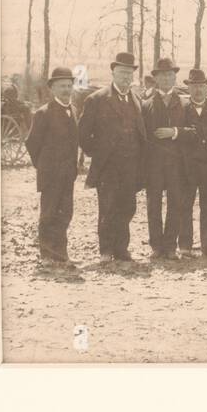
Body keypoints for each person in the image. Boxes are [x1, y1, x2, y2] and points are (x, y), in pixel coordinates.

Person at [78, 51, 147, 264]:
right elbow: (82, 134)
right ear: (113, 73)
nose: (126, 77)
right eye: (121, 73)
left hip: (131, 166)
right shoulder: (97, 99)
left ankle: (121, 249)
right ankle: (106, 251)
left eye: (129, 73)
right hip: (108, 167)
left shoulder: (137, 100)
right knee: (108, 207)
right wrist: (98, 154)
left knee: (128, 207)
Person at [24, 66, 80, 264]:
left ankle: (61, 254)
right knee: (49, 213)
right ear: (52, 89)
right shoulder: (44, 113)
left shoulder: (73, 110)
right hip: (50, 174)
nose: (66, 89)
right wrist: (44, 166)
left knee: (65, 213)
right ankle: (47, 254)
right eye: (61, 86)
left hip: (68, 174)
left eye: (69, 85)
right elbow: (32, 143)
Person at [177, 68, 207, 256]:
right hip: (186, 167)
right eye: (194, 87)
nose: (198, 90)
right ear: (188, 89)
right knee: (185, 206)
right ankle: (185, 245)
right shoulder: (181, 109)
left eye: (201, 86)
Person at [140, 56, 186, 259]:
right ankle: (156, 245)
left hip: (177, 163)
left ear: (175, 77)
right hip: (153, 164)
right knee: (154, 204)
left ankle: (170, 246)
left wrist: (175, 132)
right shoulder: (146, 104)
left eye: (170, 74)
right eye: (162, 75)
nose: (166, 79)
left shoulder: (184, 104)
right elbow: (141, 136)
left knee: (176, 203)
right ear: (155, 79)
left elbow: (194, 132)